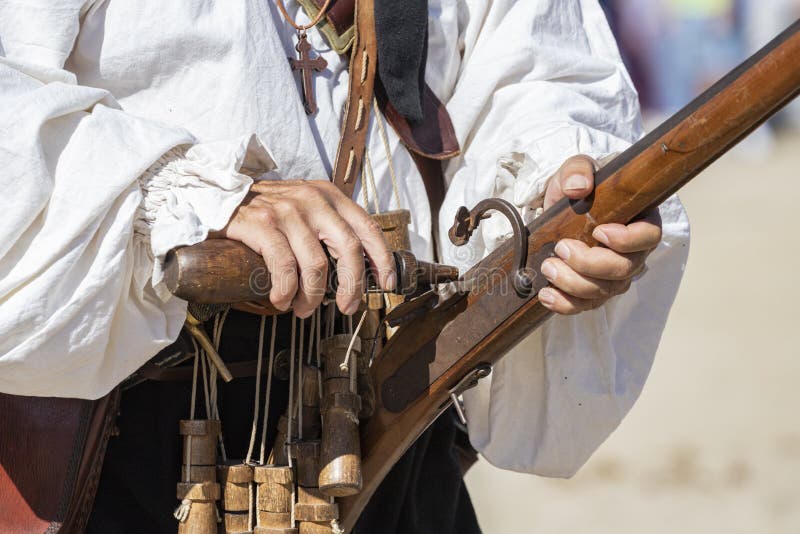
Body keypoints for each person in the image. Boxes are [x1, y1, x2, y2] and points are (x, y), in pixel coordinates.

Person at [0, 0, 689, 532]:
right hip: (126, 435)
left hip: (388, 407)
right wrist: (175, 190)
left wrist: (557, 187)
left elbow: (533, 61)